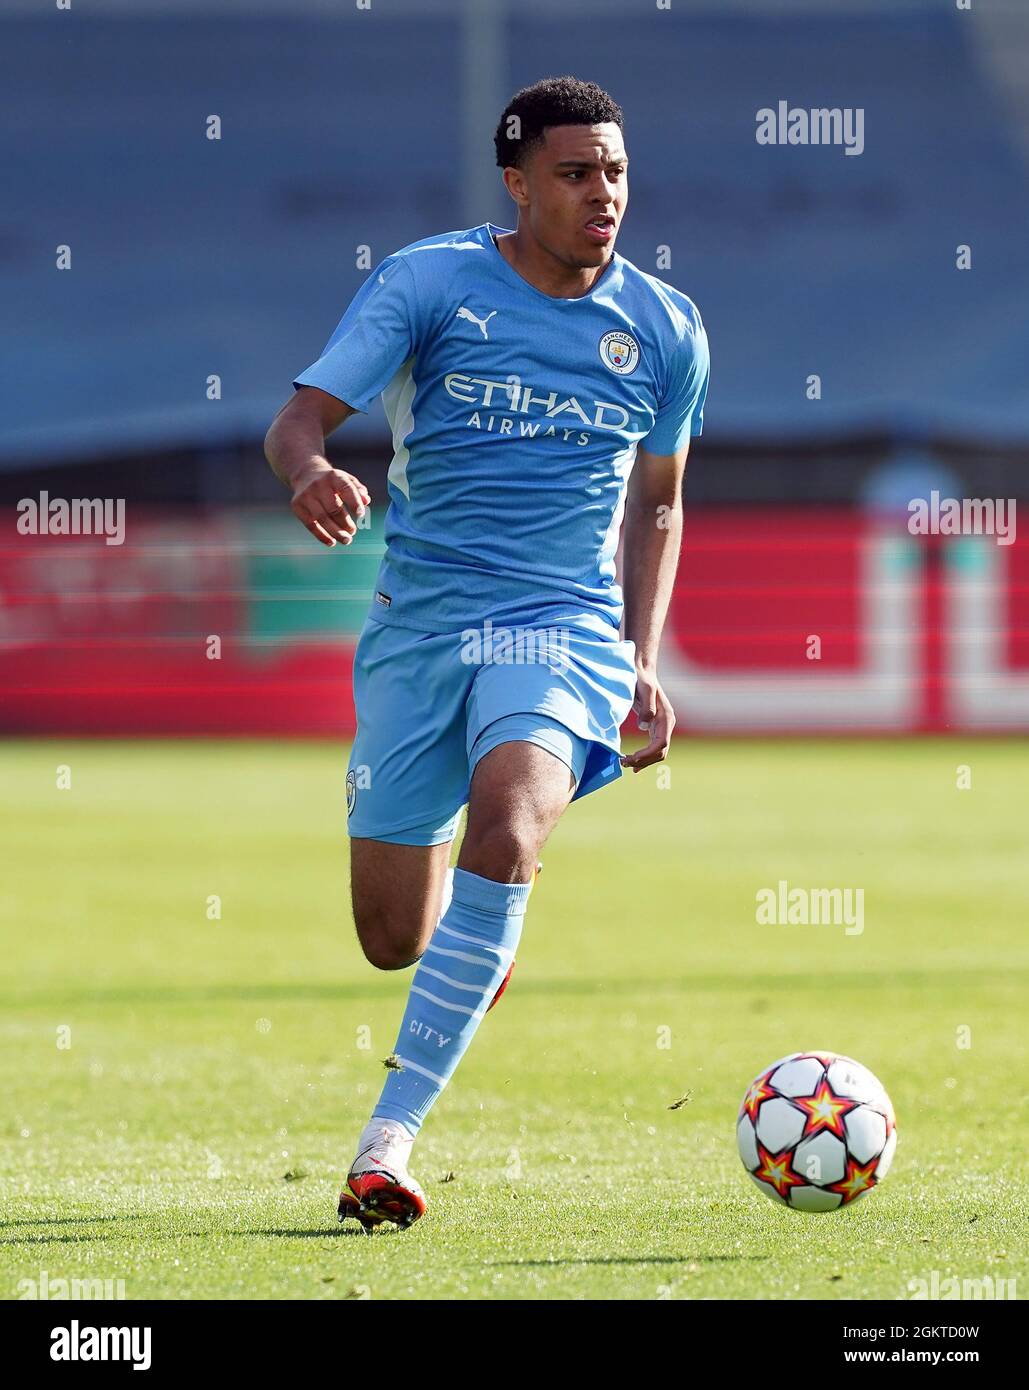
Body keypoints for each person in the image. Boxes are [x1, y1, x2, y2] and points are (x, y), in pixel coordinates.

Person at [264, 75, 710, 1230]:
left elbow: (658, 504)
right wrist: (312, 472)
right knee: (390, 938)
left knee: (507, 830)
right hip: (420, 628)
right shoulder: (428, 283)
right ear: (517, 185)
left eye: (613, 170)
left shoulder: (666, 328)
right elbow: (298, 418)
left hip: (561, 628)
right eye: (574, 174)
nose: (602, 193)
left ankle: (388, 1138)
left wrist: (641, 653)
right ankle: (479, 939)